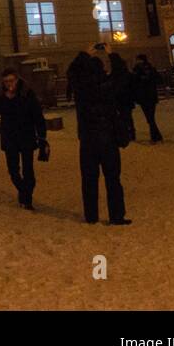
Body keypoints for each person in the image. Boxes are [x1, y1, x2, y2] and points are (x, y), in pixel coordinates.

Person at [70, 51, 130, 225]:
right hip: (108, 137)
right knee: (113, 179)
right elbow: (123, 75)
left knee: (89, 179)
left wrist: (83, 54)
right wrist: (113, 54)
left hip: (88, 139)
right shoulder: (108, 84)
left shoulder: (81, 88)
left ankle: (91, 216)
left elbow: (72, 72)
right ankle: (116, 216)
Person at [0, 69, 48, 209]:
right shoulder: (0, 94)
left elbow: (37, 116)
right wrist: (1, 98)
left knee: (28, 170)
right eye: (6, 81)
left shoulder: (27, 93)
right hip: (9, 137)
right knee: (13, 171)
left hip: (26, 135)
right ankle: (24, 193)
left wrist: (42, 137)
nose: (9, 84)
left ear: (17, 80)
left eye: (11, 80)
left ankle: (26, 200)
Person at [107, 52, 138, 147]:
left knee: (123, 117)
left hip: (120, 100)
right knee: (127, 117)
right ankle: (130, 133)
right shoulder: (127, 74)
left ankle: (127, 133)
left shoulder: (115, 75)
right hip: (127, 100)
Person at [131, 54, 164, 143]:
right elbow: (158, 79)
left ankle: (155, 137)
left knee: (150, 118)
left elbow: (134, 82)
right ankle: (157, 136)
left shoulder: (137, 70)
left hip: (144, 96)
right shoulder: (150, 68)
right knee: (150, 118)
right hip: (151, 96)